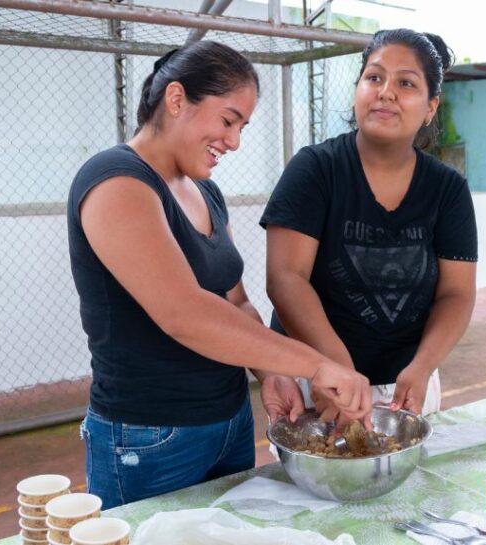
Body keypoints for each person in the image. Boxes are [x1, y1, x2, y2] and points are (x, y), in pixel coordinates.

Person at [67, 41, 372, 509]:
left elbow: (237, 304)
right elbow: (183, 312)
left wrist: (269, 370)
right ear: (175, 100)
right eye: (228, 121)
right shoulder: (117, 181)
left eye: (241, 127)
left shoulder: (205, 192)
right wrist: (314, 364)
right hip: (150, 435)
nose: (233, 142)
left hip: (229, 422)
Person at [260, 29, 477, 420]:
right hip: (316, 375)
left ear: (431, 107)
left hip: (408, 384)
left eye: (406, 83)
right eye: (374, 77)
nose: (386, 91)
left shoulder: (447, 189)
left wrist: (424, 364)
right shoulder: (315, 169)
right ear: (358, 89)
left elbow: (456, 294)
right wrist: (334, 367)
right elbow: (286, 278)